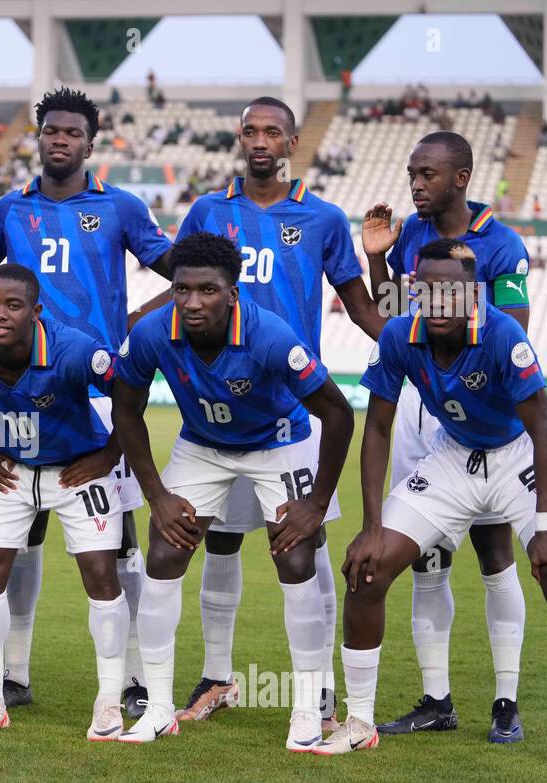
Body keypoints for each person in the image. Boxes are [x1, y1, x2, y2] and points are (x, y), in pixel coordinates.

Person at [0, 86, 173, 717]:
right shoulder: (8, 211)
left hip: (96, 385)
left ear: (89, 142)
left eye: (72, 133)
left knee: (119, 540)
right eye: (51, 130)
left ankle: (130, 678)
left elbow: (181, 274)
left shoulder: (122, 207)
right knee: (18, 534)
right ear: (39, 136)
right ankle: (12, 675)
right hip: (17, 386)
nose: (60, 140)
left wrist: (141, 318)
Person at [331, 239, 547, 774]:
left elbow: (545, 431)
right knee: (366, 568)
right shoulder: (398, 335)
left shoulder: (503, 333)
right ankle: (359, 722)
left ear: (472, 294)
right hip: (452, 457)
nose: (435, 302)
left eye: (448, 291)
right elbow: (378, 428)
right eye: (424, 290)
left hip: (514, 456)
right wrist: (370, 525)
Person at [154, 96, 381, 730]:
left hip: (289, 410)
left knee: (304, 540)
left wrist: (409, 345)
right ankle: (217, 677)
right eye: (250, 130)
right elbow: (181, 286)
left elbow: (360, 306)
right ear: (239, 138)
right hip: (215, 410)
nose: (260, 140)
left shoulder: (325, 220)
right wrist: (127, 325)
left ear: (291, 143)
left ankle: (321, 688)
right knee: (218, 541)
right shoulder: (207, 210)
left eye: (272, 132)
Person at [111, 232, 355, 748]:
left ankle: (309, 708)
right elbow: (126, 410)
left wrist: (315, 504)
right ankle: (157, 707)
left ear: (232, 293)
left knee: (294, 557)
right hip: (203, 444)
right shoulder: (154, 332)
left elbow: (337, 412)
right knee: (163, 550)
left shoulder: (270, 336)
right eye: (181, 290)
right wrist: (155, 495)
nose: (193, 302)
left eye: (207, 290)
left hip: (278, 442)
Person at [361, 130, 532, 742]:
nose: (415, 184)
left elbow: (516, 334)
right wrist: (379, 258)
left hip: (481, 412)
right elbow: (390, 324)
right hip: (419, 404)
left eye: (427, 174)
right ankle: (437, 700)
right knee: (428, 561)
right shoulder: (410, 234)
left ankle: (506, 703)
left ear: (460, 177)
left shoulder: (502, 244)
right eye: (412, 173)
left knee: (493, 555)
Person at [0, 264, 128, 739]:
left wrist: (108, 455)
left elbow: (129, 394)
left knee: (101, 574)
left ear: (36, 310)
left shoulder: (75, 349)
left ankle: (109, 702)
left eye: (13, 305)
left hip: (75, 470)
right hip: (11, 471)